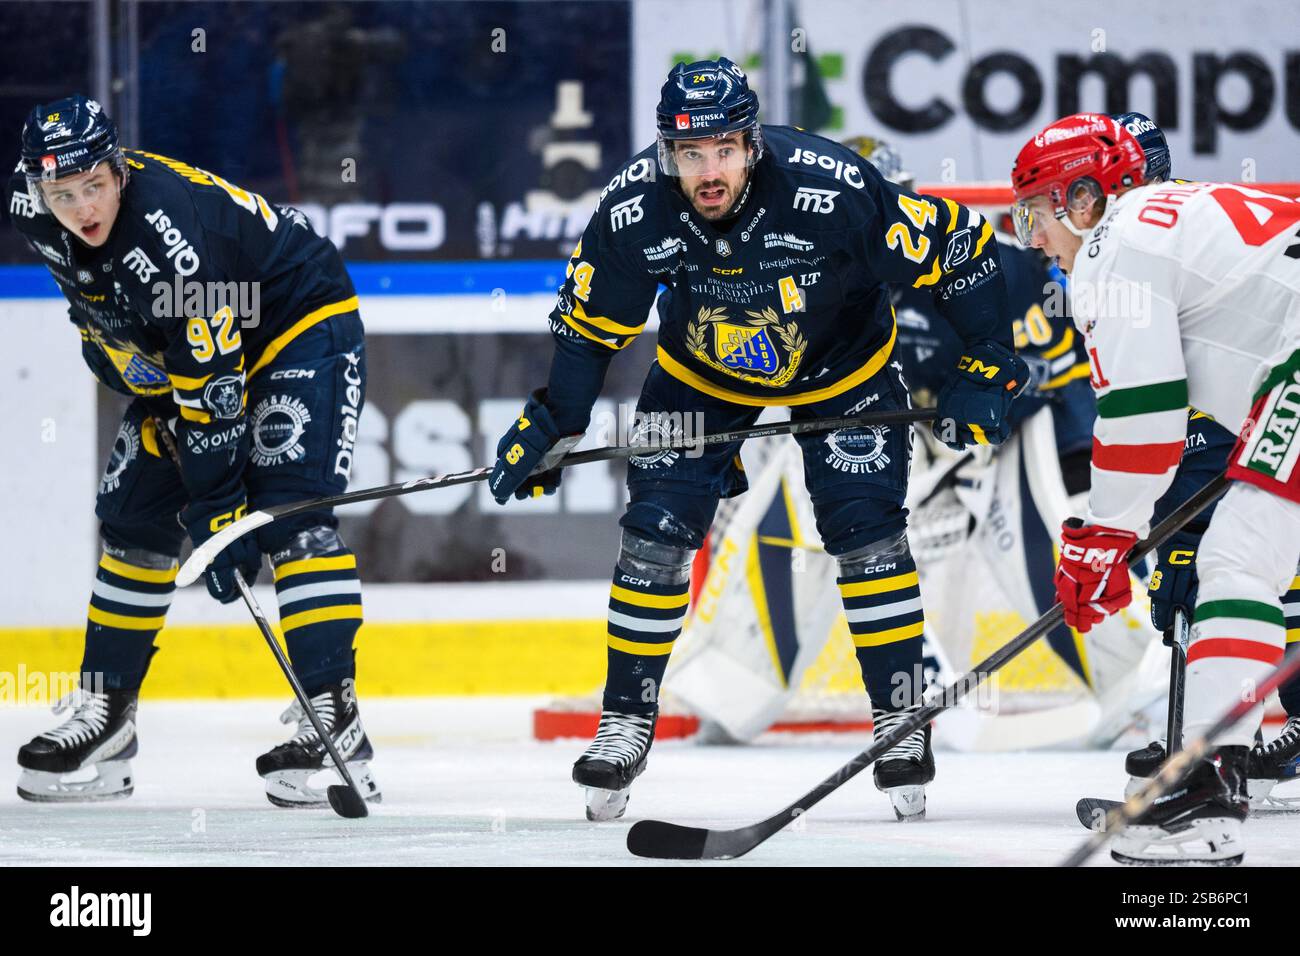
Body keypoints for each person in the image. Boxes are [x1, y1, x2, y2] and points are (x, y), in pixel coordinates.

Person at [487, 58, 1026, 821]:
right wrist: (556, 421)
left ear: (752, 145)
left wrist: (989, 361)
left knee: (865, 533)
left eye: (725, 150)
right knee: (654, 535)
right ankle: (626, 720)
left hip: (844, 374)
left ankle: (901, 719)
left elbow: (962, 250)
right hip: (700, 379)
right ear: (666, 151)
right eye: (690, 153)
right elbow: (586, 332)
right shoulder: (633, 210)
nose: (709, 171)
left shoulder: (833, 189)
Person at [6, 95, 379, 807]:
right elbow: (105, 325)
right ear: (37, 190)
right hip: (191, 348)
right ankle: (107, 717)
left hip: (296, 319)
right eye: (61, 193)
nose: (81, 207)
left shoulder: (171, 240)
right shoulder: (36, 217)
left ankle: (335, 716)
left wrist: (216, 506)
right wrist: (150, 392)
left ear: (118, 172)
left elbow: (213, 391)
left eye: (93, 186)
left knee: (289, 512)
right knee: (134, 519)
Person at [1012, 111, 1300, 864]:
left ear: (1083, 198)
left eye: (1036, 212)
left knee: (1238, 561)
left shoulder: (1117, 244)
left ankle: (1206, 786)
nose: (1034, 238)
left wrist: (1104, 537)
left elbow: (1144, 418)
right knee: (1246, 551)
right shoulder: (1173, 218)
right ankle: (1210, 781)